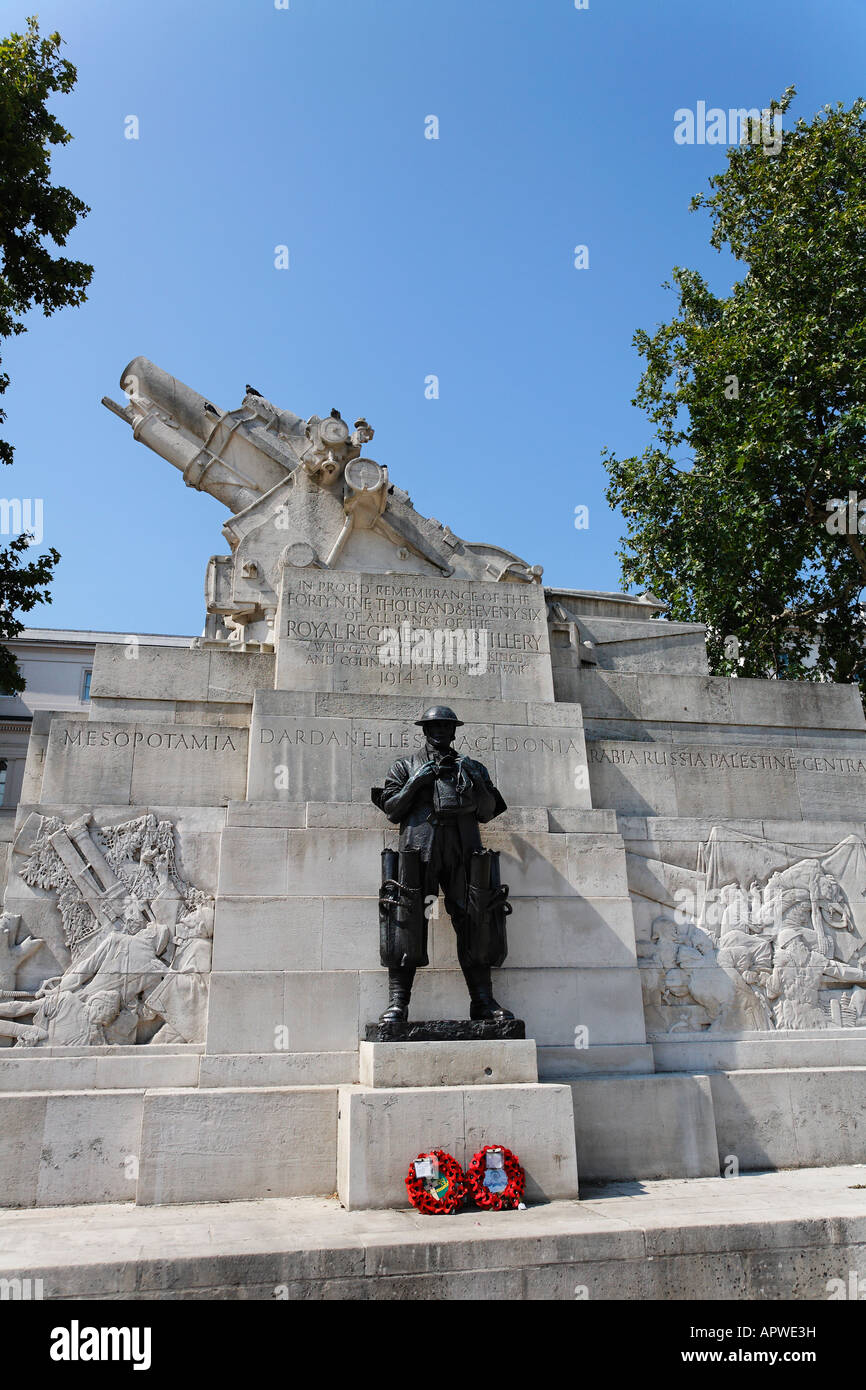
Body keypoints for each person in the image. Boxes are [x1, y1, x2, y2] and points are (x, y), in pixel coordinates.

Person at [372, 705, 513, 1024]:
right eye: (433, 726)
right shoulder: (405, 766)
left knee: (475, 920)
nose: (439, 732)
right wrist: (416, 782)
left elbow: (488, 811)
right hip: (419, 850)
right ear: (424, 730)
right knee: (407, 919)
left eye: (446, 726)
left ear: (454, 731)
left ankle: (483, 1001)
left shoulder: (472, 766)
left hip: (463, 850)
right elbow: (392, 810)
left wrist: (477, 779)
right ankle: (398, 1003)